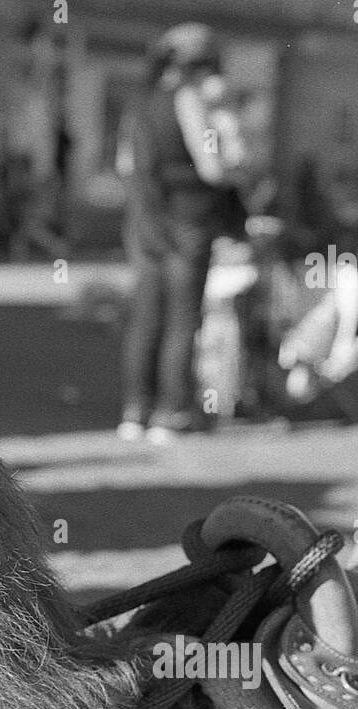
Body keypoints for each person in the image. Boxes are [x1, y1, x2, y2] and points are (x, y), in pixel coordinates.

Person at [119, 23, 247, 442]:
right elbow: (211, 165)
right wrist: (234, 154)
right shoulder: (189, 98)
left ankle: (134, 412)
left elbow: (126, 165)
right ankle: (171, 413)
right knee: (182, 318)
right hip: (188, 219)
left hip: (145, 220)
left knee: (146, 315)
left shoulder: (137, 101)